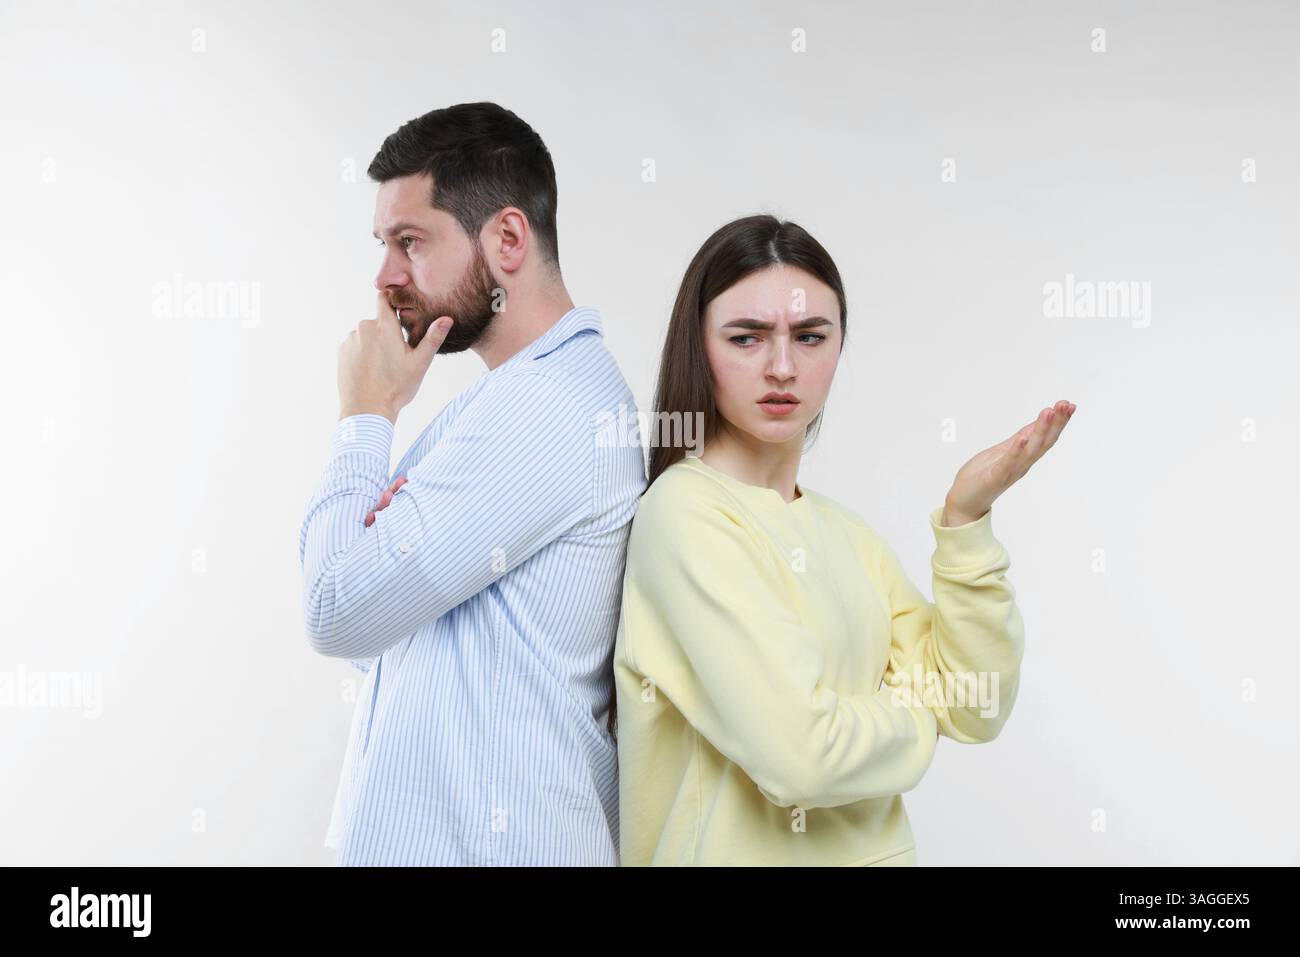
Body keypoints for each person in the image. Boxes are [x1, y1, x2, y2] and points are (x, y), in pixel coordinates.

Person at [613, 214, 1073, 865]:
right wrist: (915, 718)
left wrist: (966, 523)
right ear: (699, 346)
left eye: (809, 336)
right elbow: (802, 754)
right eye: (746, 337)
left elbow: (977, 704)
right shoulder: (684, 515)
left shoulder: (845, 534)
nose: (781, 366)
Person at [298, 102, 645, 865]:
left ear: (508, 239)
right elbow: (379, 641)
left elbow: (337, 609)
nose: (386, 276)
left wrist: (366, 412)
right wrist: (373, 573)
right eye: (384, 244)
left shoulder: (546, 408)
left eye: (410, 242)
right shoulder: (507, 400)